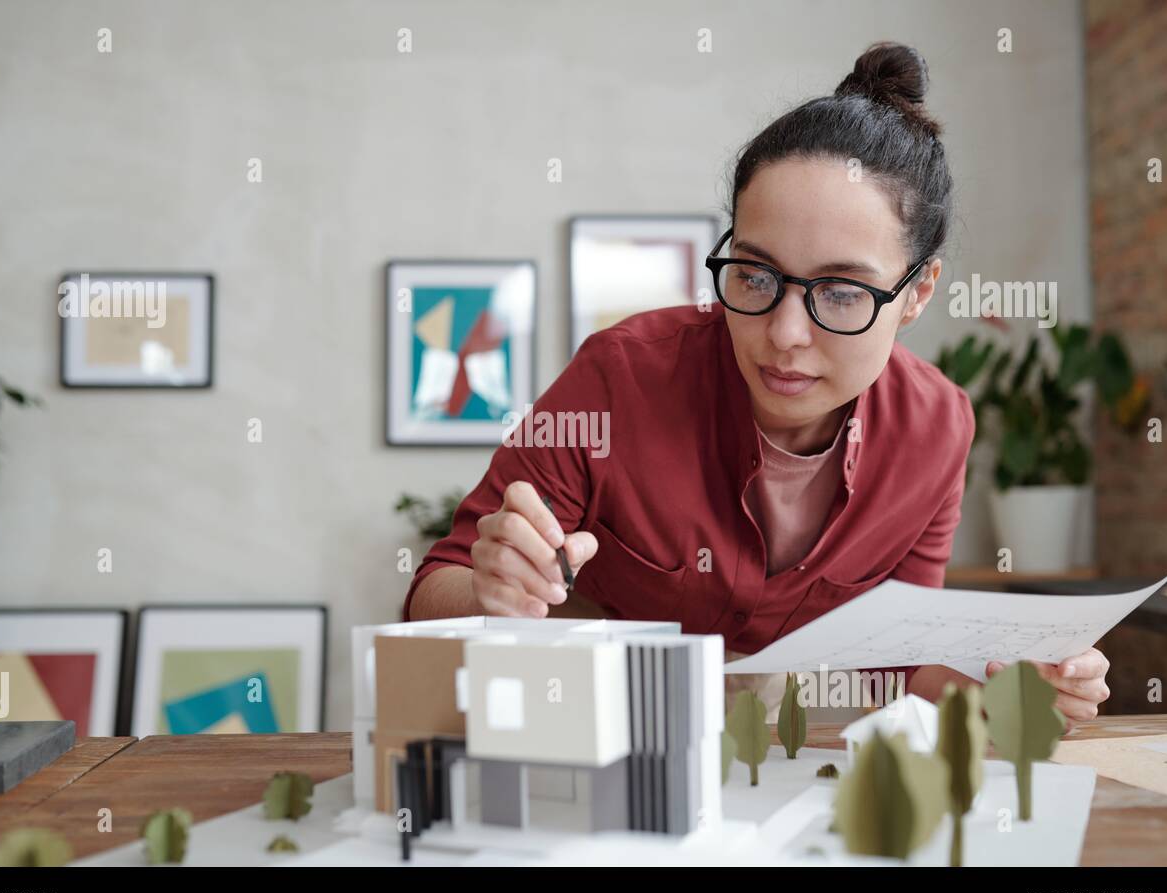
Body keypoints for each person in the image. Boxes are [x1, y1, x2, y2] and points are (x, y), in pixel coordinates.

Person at [405, 41, 1109, 728]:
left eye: (839, 292)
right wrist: (492, 588)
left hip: (765, 745)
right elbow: (430, 590)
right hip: (586, 725)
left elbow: (896, 656)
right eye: (756, 275)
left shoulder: (937, 427)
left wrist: (1011, 693)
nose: (784, 334)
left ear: (919, 292)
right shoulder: (618, 378)